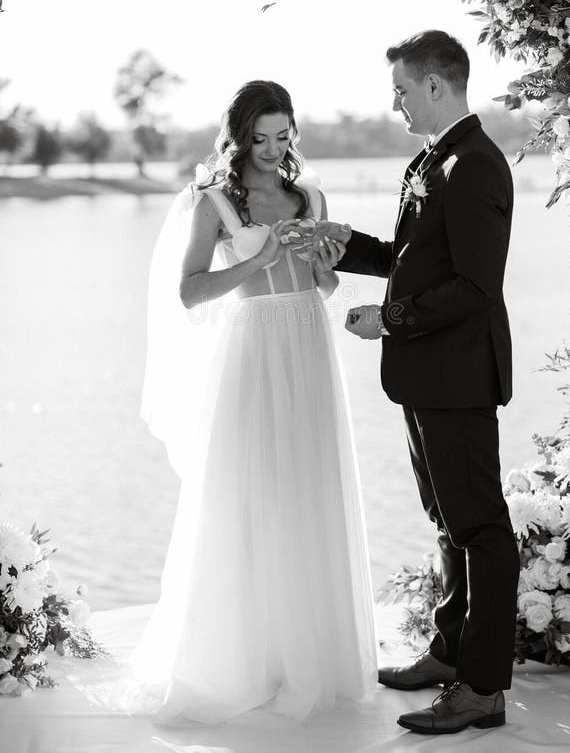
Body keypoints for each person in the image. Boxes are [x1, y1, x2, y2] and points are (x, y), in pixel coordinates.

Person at [128, 79, 378, 724]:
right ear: (239, 138)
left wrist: (324, 265)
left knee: (307, 490)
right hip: (251, 348)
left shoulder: (310, 194)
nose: (273, 149)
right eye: (261, 138)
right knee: (248, 494)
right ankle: (241, 659)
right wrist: (258, 258)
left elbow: (322, 288)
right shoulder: (214, 201)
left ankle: (307, 655)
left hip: (309, 348)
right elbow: (189, 292)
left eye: (283, 135)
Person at [304, 31, 520, 735]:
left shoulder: (475, 166)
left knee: (480, 528)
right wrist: (343, 243)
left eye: (400, 89)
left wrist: (389, 320)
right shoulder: (433, 160)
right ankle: (450, 651)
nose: (393, 102)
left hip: (456, 375)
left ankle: (483, 689)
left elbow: (474, 288)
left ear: (435, 85)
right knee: (445, 522)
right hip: (427, 377)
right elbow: (412, 256)